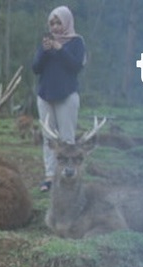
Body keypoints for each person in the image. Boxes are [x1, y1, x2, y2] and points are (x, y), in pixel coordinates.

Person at [31, 5, 86, 192]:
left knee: (67, 138)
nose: (54, 27)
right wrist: (45, 52)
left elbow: (76, 66)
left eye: (58, 23)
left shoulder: (76, 42)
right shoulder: (46, 43)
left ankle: (68, 177)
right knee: (49, 138)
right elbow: (36, 68)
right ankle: (49, 176)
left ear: (67, 22)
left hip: (67, 96)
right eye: (52, 23)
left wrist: (60, 49)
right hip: (45, 96)